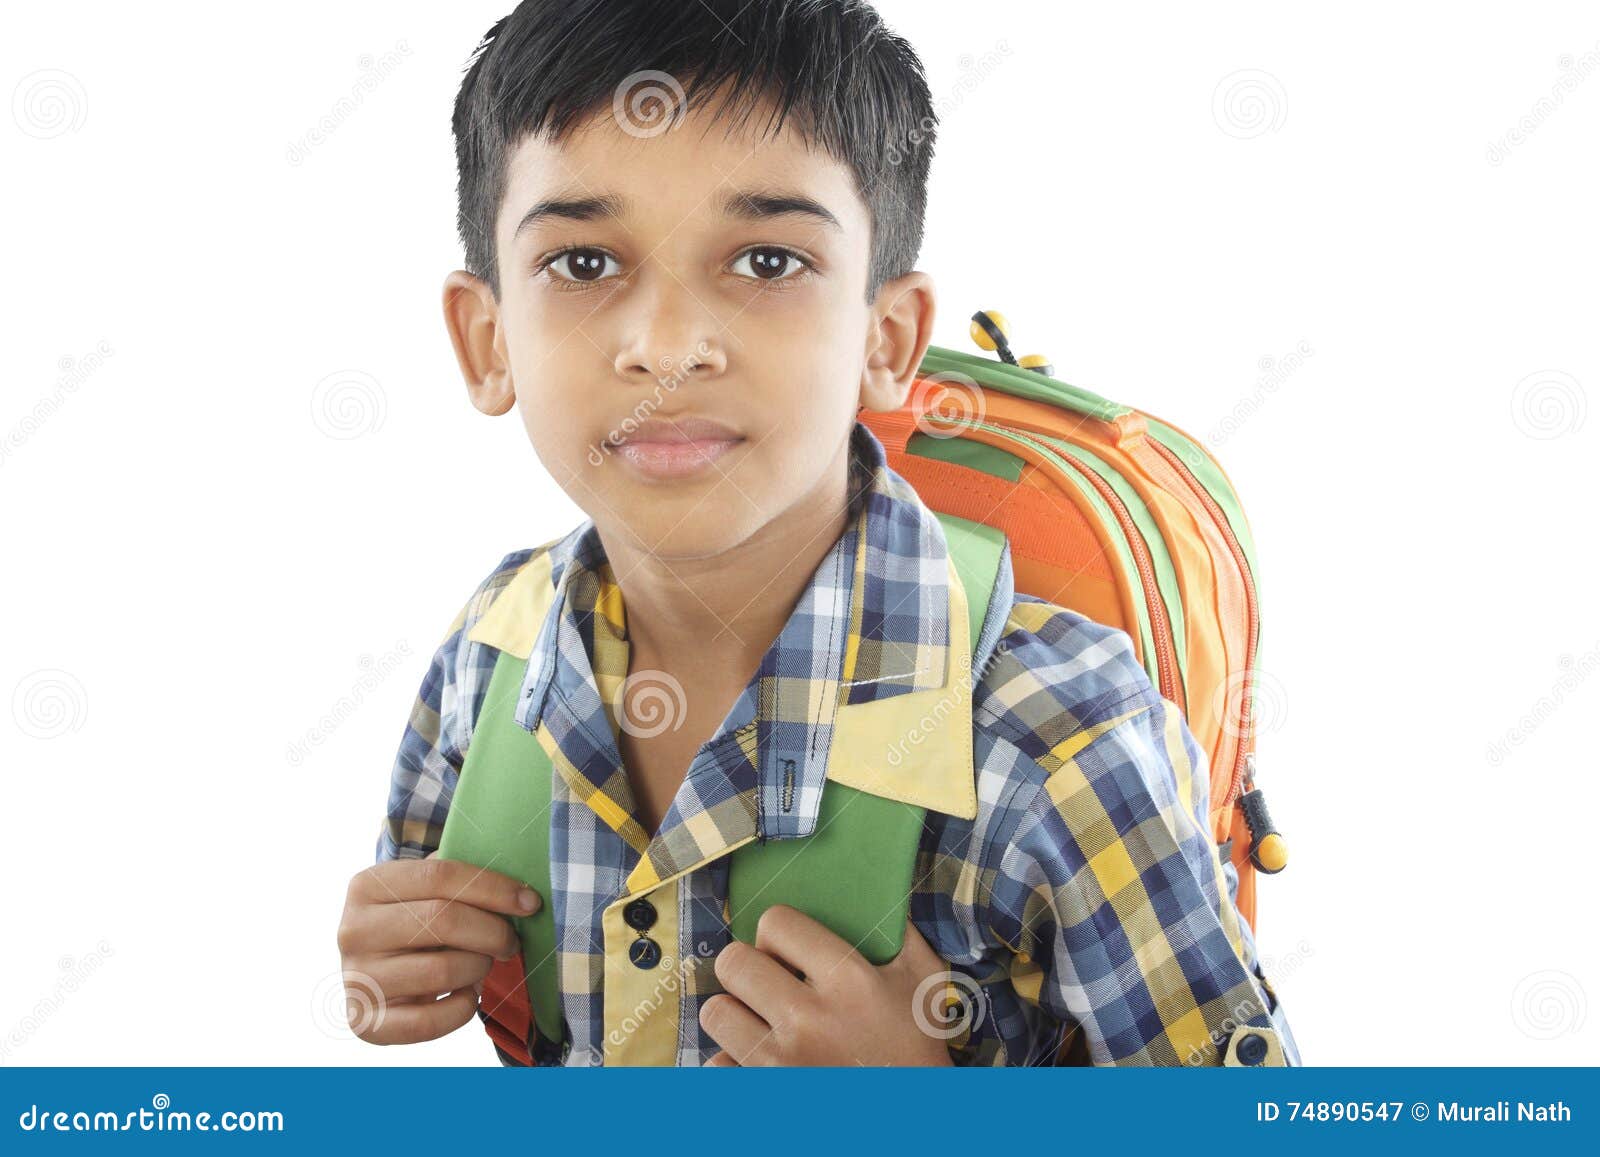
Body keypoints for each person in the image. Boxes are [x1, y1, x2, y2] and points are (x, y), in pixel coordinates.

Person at [336, 0, 1300, 1067]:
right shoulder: (491, 652)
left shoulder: (1059, 740)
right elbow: (433, 942)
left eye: (765, 262)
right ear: (486, 340)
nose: (667, 345)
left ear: (886, 340)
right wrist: (395, 965)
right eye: (582, 264)